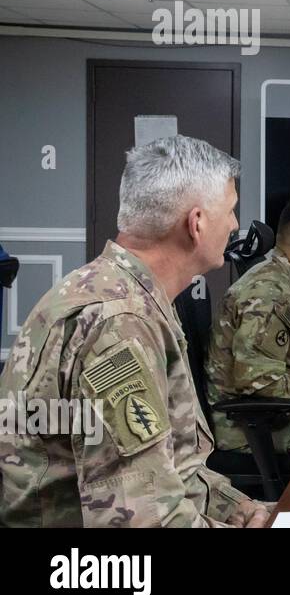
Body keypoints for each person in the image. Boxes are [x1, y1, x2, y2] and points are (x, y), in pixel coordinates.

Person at [0, 135, 269, 527]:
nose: (233, 224)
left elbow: (172, 469)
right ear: (196, 223)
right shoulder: (117, 323)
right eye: (230, 210)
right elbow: (141, 520)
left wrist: (245, 512)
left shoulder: (129, 292)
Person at [207, 197, 290, 456]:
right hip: (247, 426)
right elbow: (258, 382)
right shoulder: (270, 293)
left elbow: (287, 356)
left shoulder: (285, 280)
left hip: (272, 411)